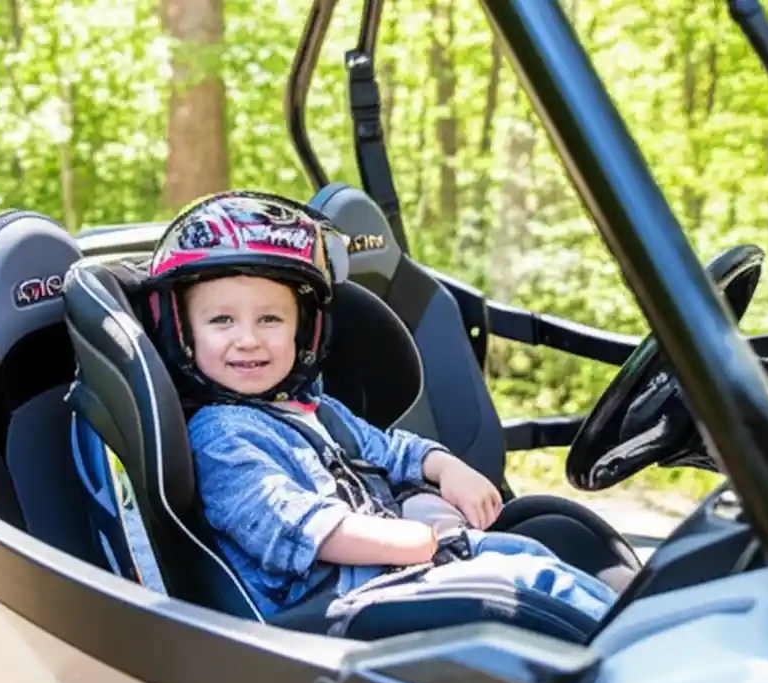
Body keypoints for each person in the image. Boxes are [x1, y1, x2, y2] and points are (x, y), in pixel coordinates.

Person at [142, 190, 618, 629]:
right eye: (222, 320)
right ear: (183, 335)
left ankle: (632, 638)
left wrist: (445, 467)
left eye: (270, 319)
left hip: (398, 572)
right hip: (339, 605)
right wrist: (414, 538)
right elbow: (291, 527)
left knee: (535, 557)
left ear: (303, 331)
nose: (248, 339)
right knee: (531, 583)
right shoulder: (221, 434)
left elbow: (390, 450)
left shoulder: (315, 410)